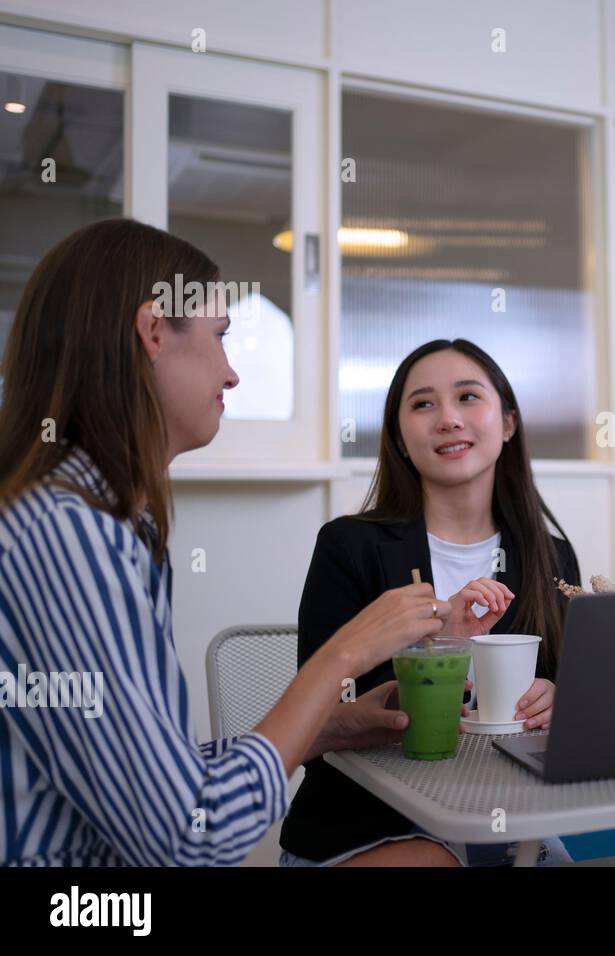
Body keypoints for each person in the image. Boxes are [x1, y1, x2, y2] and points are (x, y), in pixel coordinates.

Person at [0, 219, 447, 866]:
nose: (232, 374)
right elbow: (190, 835)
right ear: (154, 331)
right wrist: (345, 653)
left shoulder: (96, 524)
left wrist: (319, 729)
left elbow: (147, 786)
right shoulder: (69, 536)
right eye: (219, 337)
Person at [278, 339, 579, 866]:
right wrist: (440, 647)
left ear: (507, 422)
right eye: (422, 404)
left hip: (510, 823)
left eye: (467, 397)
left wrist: (557, 698)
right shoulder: (349, 546)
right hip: (366, 828)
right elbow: (322, 714)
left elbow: (574, 699)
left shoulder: (551, 557)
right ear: (398, 434)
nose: (447, 419)